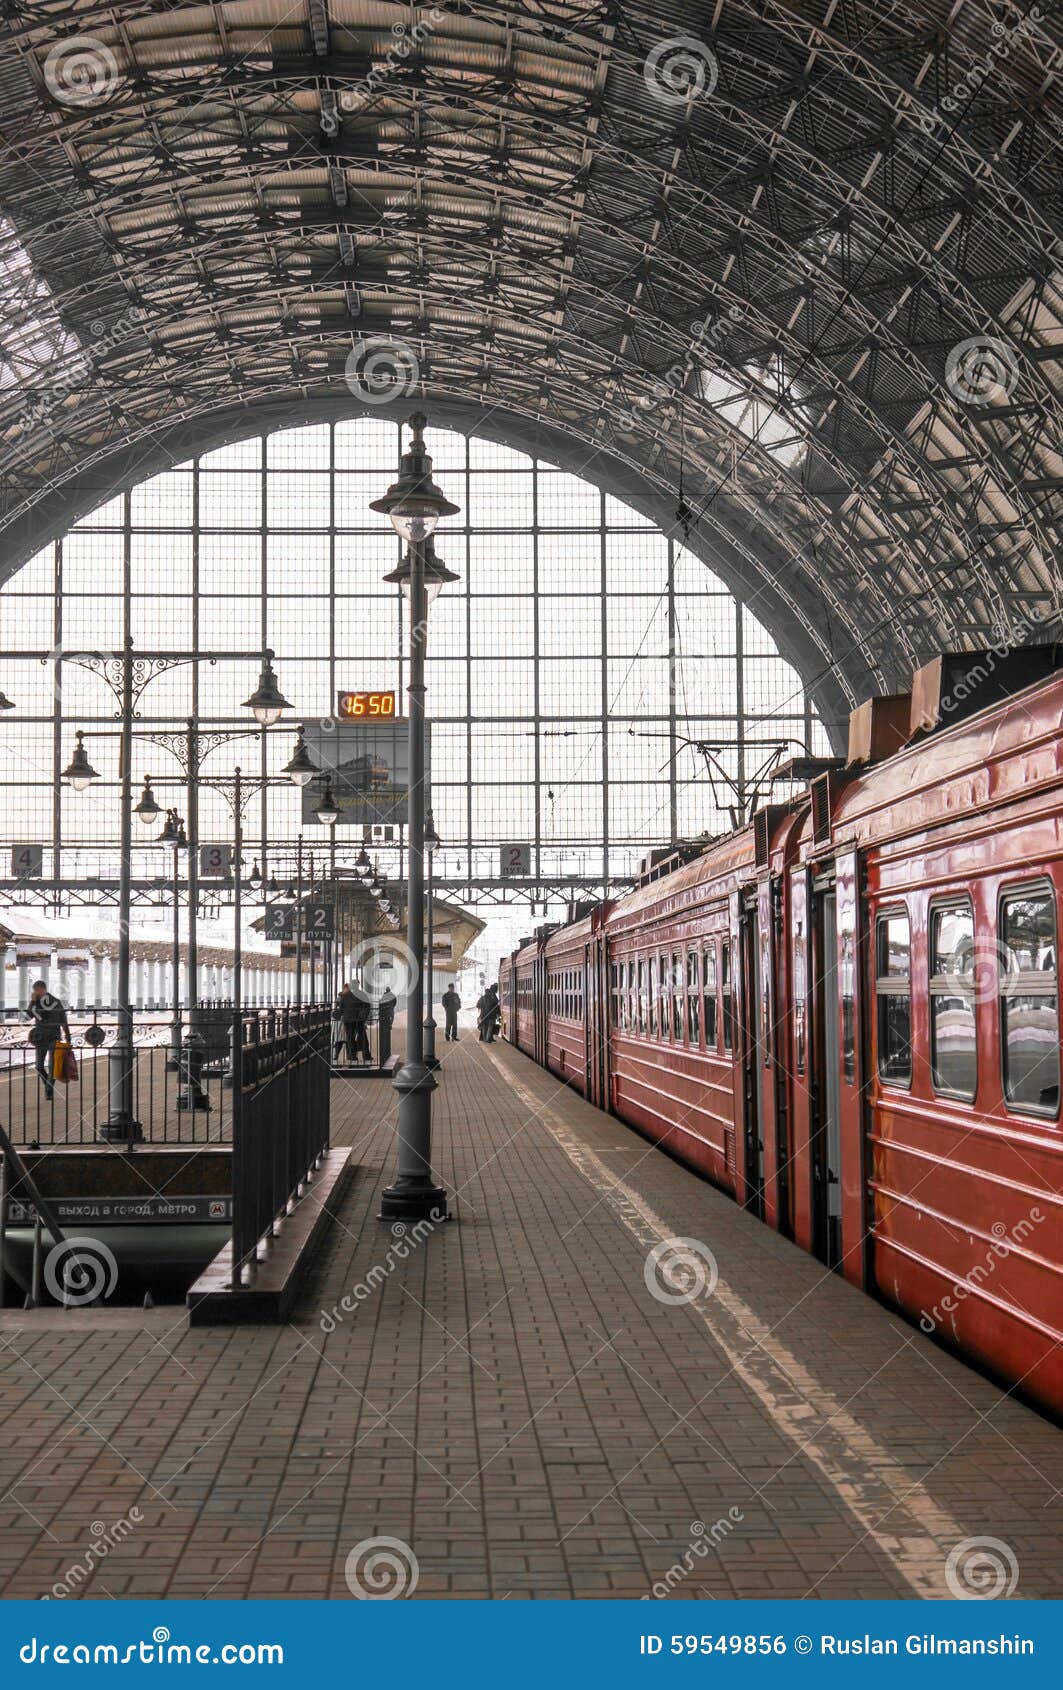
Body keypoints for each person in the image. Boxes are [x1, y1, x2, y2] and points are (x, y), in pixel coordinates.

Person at [26, 979, 70, 1102]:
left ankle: (48, 1091)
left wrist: (68, 1037)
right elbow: (28, 1017)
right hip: (40, 1038)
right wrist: (33, 1001)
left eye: (36, 990)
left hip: (53, 1037)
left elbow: (63, 1020)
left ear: (41, 989)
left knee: (52, 1066)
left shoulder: (55, 1002)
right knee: (39, 1066)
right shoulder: (37, 1003)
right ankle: (48, 1086)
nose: (35, 993)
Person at [336, 981, 371, 1065]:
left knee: (350, 1038)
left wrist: (340, 1015)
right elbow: (367, 1006)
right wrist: (364, 1017)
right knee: (362, 1038)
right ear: (358, 985)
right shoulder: (362, 995)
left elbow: (341, 1008)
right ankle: (366, 1056)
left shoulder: (345, 995)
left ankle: (352, 1056)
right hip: (358, 1020)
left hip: (348, 1020)